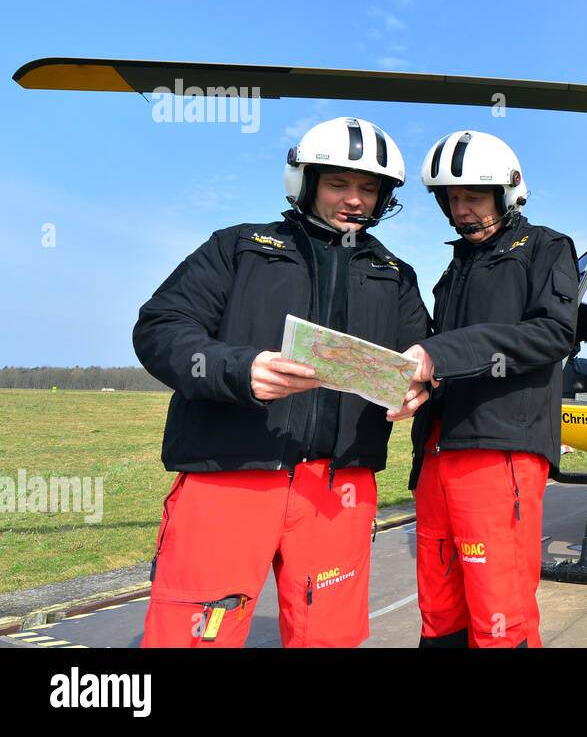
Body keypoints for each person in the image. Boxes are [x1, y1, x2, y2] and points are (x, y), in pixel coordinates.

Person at [133, 116, 431, 648]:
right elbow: (160, 328)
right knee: (195, 632)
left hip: (338, 485)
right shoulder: (239, 248)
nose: (355, 200)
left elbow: (419, 358)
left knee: (330, 635)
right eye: (339, 183)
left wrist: (421, 388)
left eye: (368, 188)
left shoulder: (395, 274)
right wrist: (238, 369)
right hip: (231, 471)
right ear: (306, 182)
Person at [405, 129, 578, 648]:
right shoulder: (453, 268)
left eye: (473, 197)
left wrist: (444, 354)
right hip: (436, 448)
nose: (461, 210)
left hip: (500, 449)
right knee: (438, 602)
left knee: (497, 605)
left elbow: (554, 332)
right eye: (452, 198)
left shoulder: (545, 248)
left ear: (508, 192)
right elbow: (438, 355)